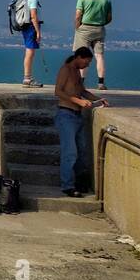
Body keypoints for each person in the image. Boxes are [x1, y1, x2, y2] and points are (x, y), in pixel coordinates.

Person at [53, 46, 109, 197]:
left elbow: (82, 90)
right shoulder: (65, 69)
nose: (88, 65)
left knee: (82, 151)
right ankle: (67, 186)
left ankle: (79, 182)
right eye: (87, 61)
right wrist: (78, 101)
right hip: (66, 115)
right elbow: (58, 91)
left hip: (77, 116)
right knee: (70, 153)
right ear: (79, 57)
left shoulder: (77, 71)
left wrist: (99, 99)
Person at [73, 0, 113, 89]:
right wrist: (102, 23)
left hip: (85, 28)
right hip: (99, 29)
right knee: (99, 56)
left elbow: (78, 15)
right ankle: (101, 83)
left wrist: (77, 27)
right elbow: (109, 17)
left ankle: (81, 82)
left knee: (82, 56)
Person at [20, 0, 44, 87]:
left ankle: (27, 77)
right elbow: (34, 16)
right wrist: (38, 31)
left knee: (28, 52)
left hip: (25, 27)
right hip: (31, 27)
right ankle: (27, 78)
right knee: (30, 52)